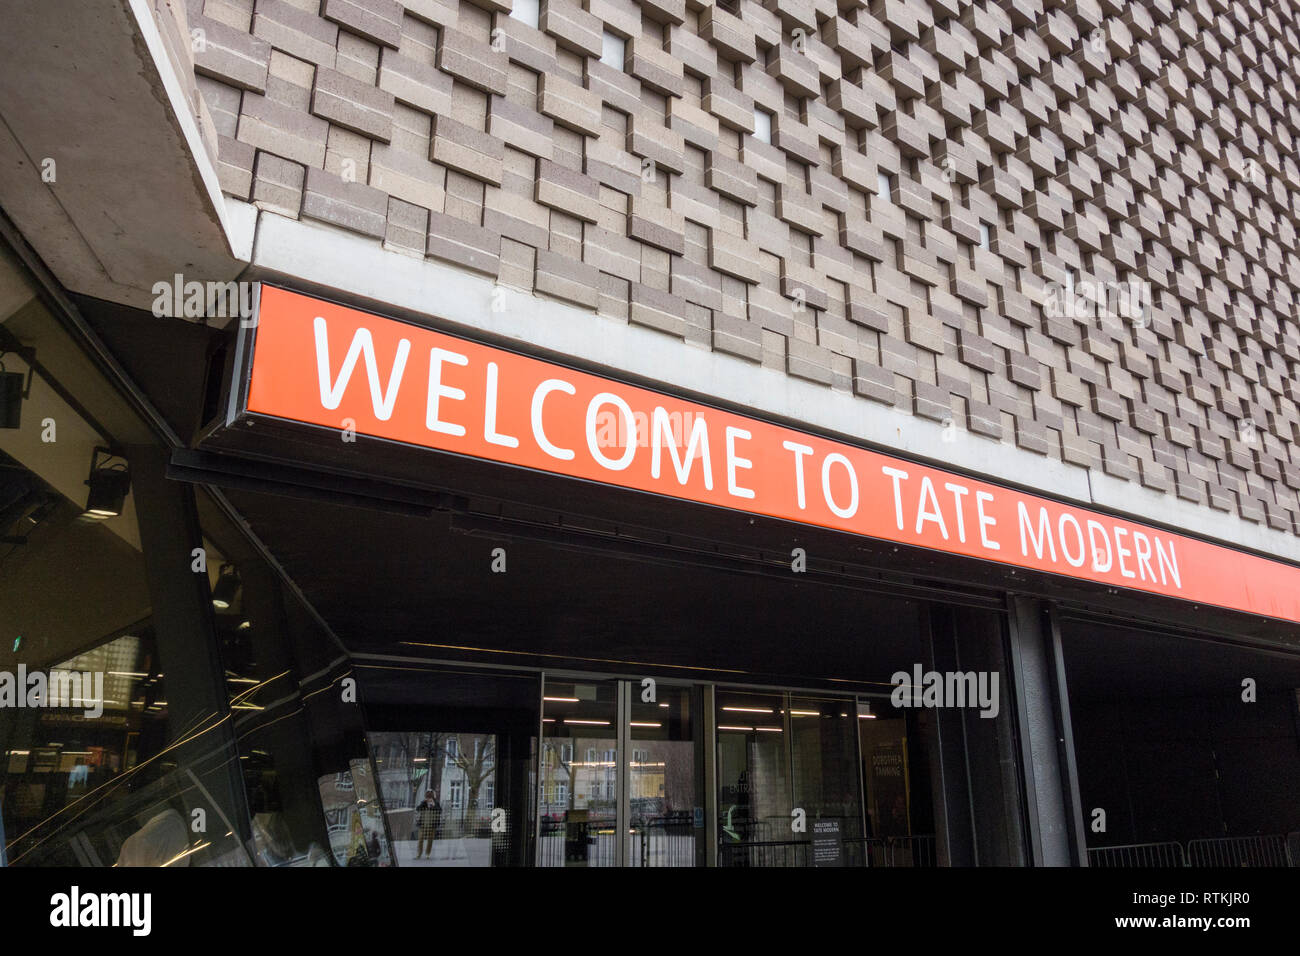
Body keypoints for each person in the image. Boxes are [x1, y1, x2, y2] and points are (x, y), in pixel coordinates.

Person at [415, 792, 441, 860]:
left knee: (430, 840)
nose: (428, 799)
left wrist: (434, 805)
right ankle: (419, 853)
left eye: (430, 798)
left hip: (432, 825)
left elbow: (440, 811)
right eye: (427, 798)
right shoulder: (423, 803)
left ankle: (427, 853)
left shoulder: (436, 803)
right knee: (420, 839)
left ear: (432, 798)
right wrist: (423, 803)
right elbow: (417, 809)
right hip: (423, 824)